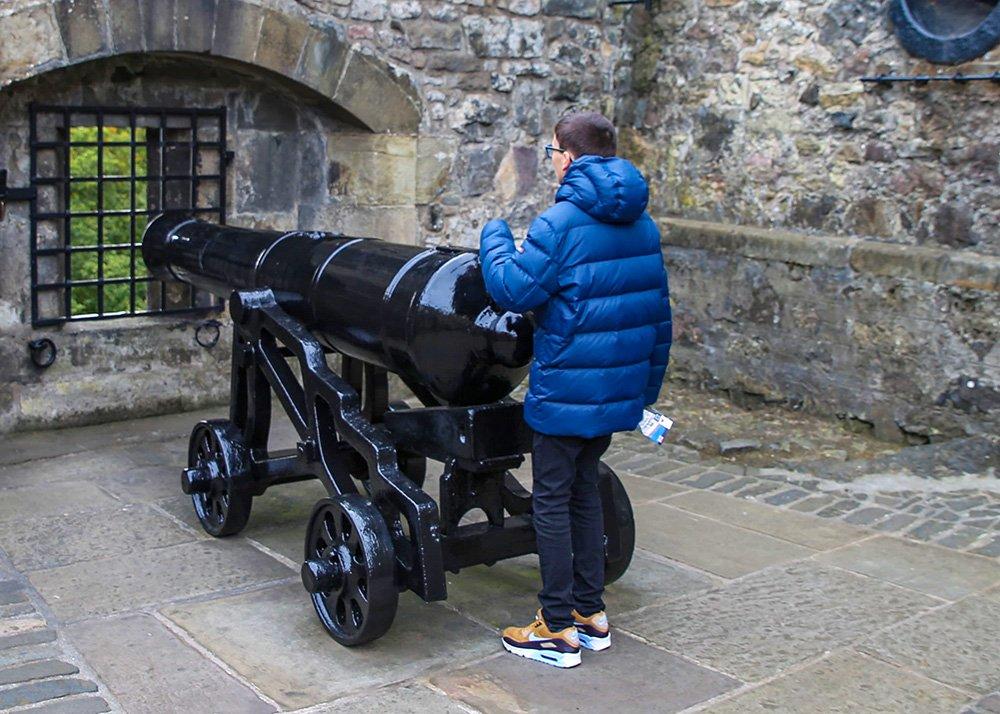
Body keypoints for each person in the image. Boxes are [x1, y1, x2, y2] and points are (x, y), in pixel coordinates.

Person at [479, 111, 672, 668]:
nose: (552, 161)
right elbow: (660, 319)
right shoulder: (643, 223)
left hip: (566, 390)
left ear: (566, 156)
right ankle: (590, 613)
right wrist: (644, 394)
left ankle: (556, 628)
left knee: (554, 502)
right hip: (616, 391)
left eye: (552, 152)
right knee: (584, 492)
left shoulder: (559, 222)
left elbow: (513, 288)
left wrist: (495, 235)